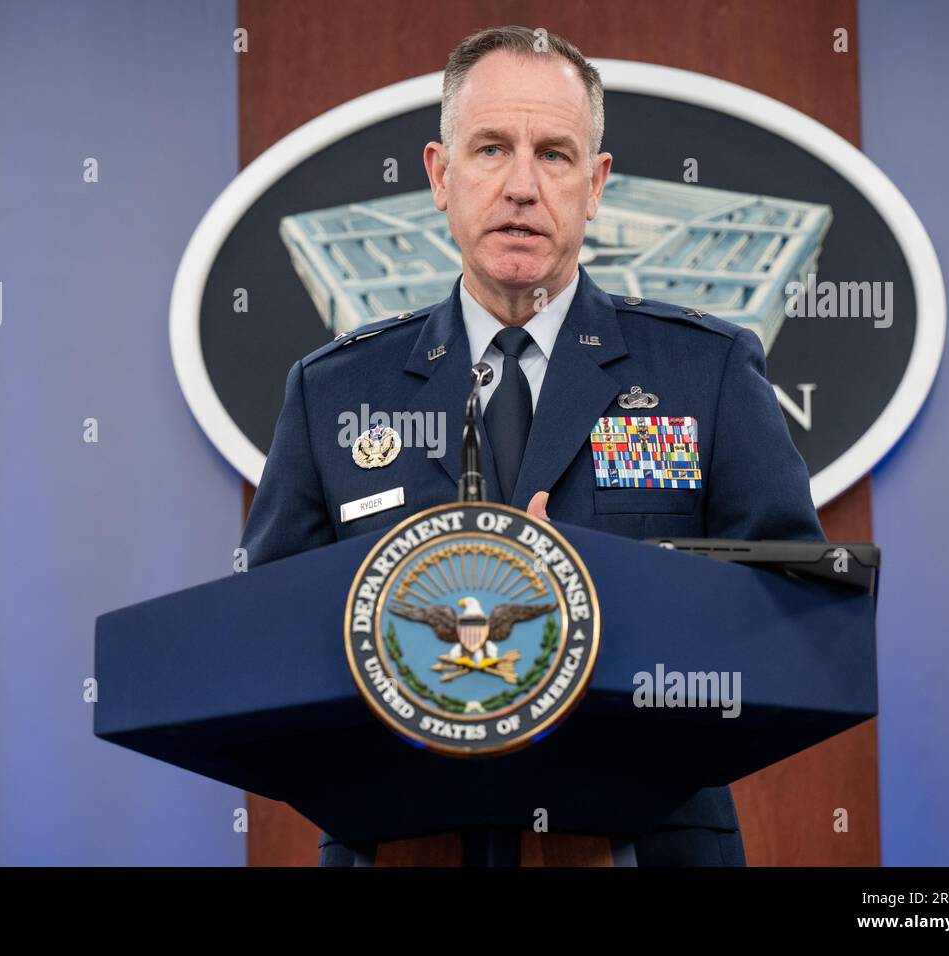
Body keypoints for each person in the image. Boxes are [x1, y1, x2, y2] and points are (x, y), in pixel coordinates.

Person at [241, 25, 822, 866]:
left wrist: (597, 602)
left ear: (597, 185)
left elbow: (791, 618)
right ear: (440, 176)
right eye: (490, 149)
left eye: (554, 155)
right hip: (402, 839)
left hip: (643, 842)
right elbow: (264, 642)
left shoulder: (708, 371)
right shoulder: (335, 390)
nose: (520, 186)